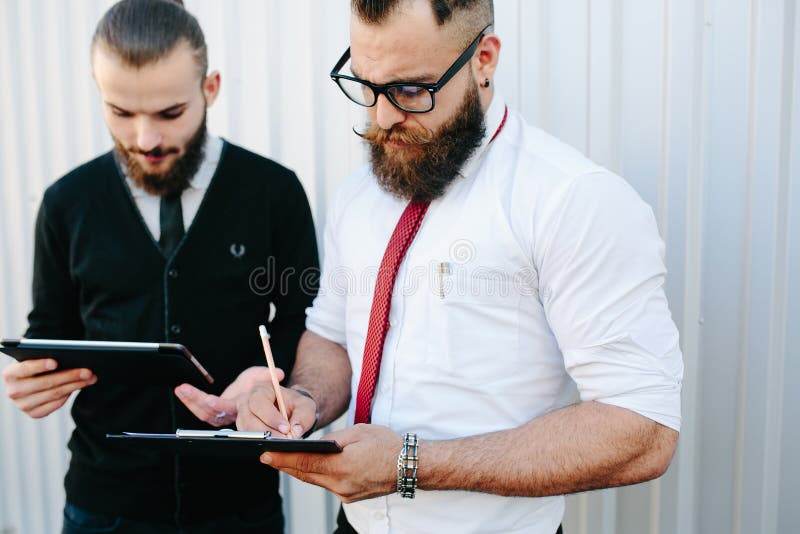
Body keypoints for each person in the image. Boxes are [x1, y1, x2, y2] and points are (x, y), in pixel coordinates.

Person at [230, 0, 685, 533]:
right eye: (366, 85)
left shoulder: (573, 200)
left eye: (409, 90)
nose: (381, 117)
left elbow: (643, 431)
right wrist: (301, 400)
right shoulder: (359, 195)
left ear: (484, 59)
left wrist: (409, 466)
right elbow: (332, 337)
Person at [1, 0, 318, 532]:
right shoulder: (65, 203)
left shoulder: (274, 192)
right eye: (121, 113)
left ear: (210, 89)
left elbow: (305, 321)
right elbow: (51, 331)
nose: (145, 139)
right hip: (104, 503)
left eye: (170, 113)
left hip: (240, 500)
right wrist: (34, 382)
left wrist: (275, 378)